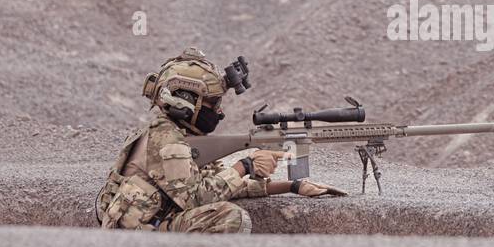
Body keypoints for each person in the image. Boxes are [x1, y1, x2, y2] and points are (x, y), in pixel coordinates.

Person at [96, 48, 344, 233]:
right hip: (141, 236)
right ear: (185, 102)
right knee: (231, 217)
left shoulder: (176, 134)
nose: (220, 113)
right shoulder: (168, 141)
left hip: (152, 223)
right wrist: (246, 166)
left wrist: (292, 187)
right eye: (213, 104)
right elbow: (198, 198)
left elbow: (215, 185)